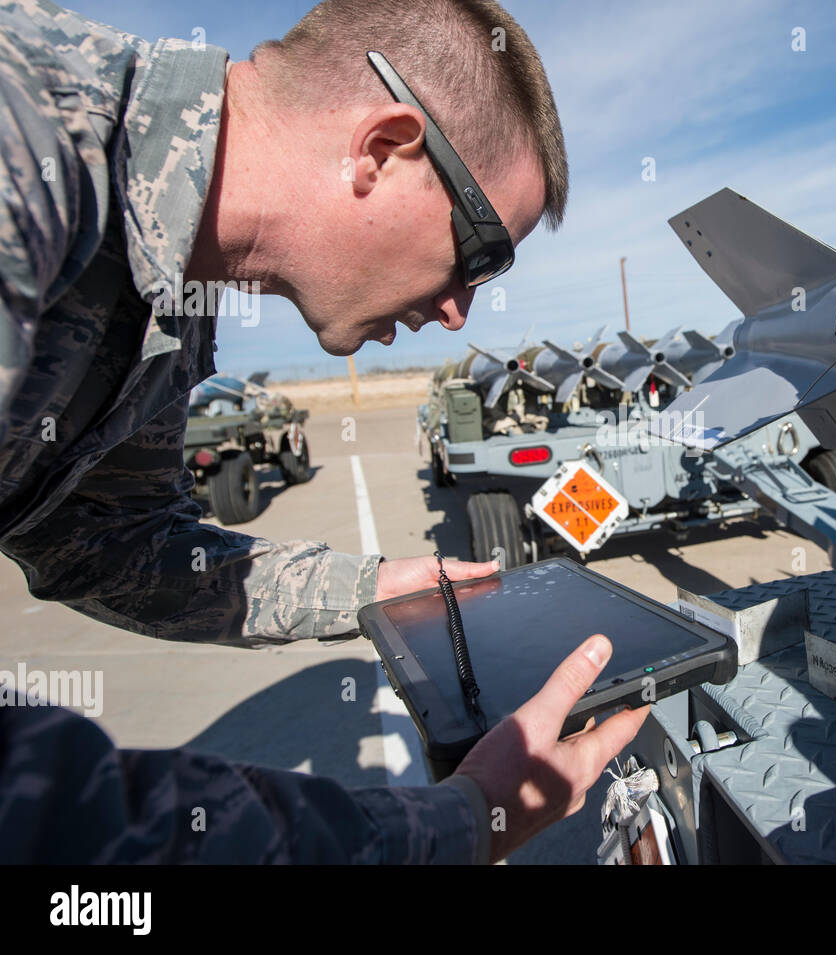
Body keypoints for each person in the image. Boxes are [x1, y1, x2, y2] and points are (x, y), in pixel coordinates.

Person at [0, 0, 647, 863]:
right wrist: (453, 824)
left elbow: (107, 547)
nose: (459, 313)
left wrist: (370, 591)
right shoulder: (32, 136)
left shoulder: (171, 311)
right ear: (382, 150)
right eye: (481, 254)